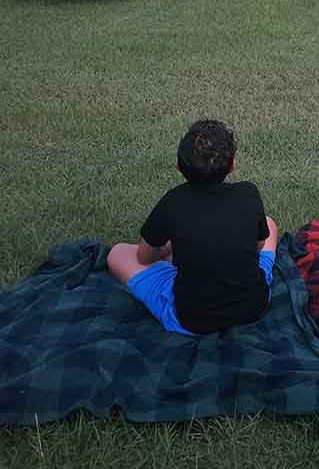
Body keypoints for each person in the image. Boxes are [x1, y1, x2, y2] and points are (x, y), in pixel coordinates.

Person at [108, 119, 277, 335]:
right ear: (232, 165)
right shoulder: (248, 193)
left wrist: (173, 247)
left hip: (193, 320)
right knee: (268, 224)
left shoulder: (173, 201)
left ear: (179, 167)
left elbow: (144, 257)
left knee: (118, 253)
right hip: (253, 308)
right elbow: (258, 245)